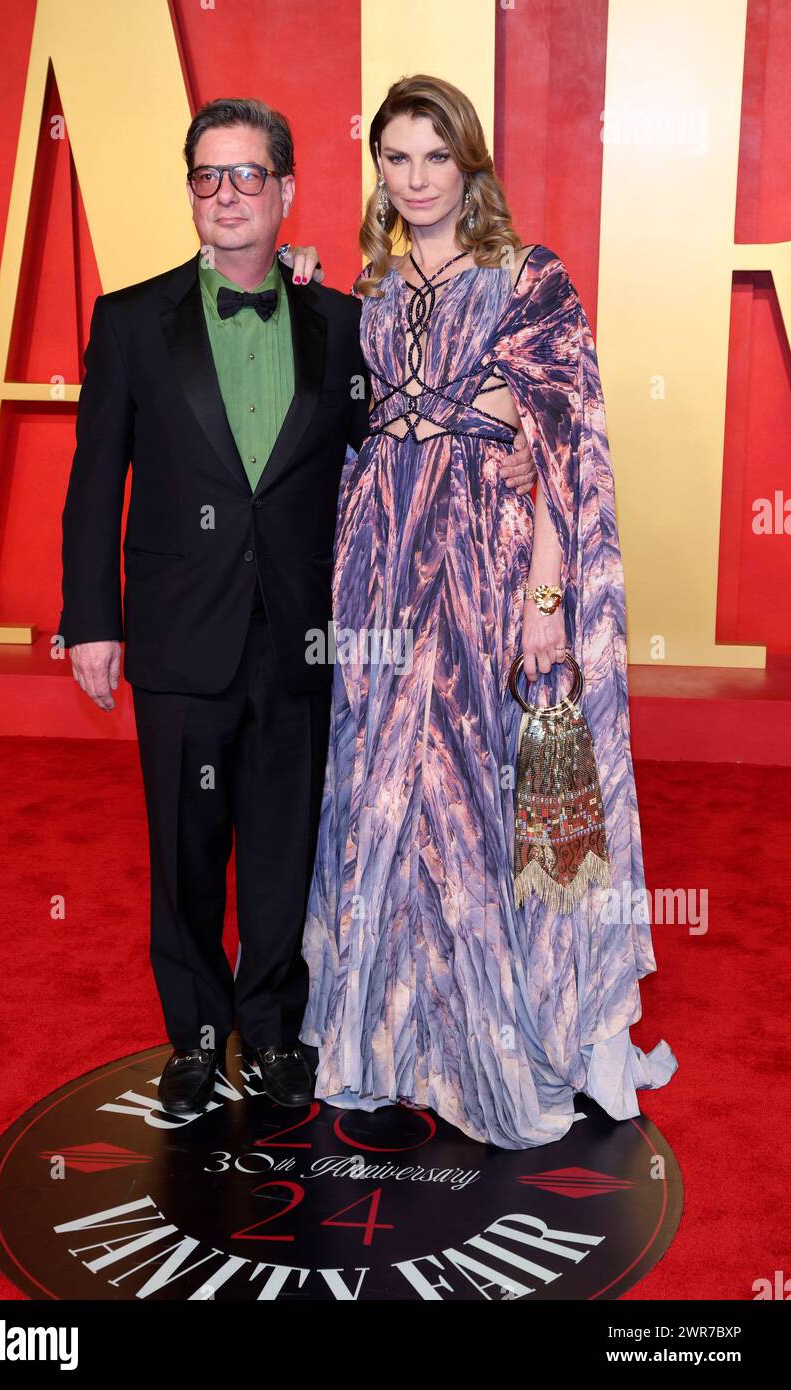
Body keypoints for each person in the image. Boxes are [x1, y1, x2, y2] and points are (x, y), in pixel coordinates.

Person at [57, 94, 542, 1118]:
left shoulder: (343, 321)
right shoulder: (130, 318)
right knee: (185, 849)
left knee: (285, 846)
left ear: (286, 191)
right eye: (206, 175)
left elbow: (415, 446)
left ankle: (273, 1030)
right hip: (180, 634)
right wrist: (90, 615)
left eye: (246, 176)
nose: (225, 195)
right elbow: (94, 478)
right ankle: (193, 1036)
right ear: (190, 190)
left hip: (306, 634)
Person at [294, 75, 679, 1149]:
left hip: (484, 568)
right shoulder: (368, 287)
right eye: (396, 159)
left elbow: (567, 452)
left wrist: (548, 599)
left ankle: (496, 1042)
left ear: (470, 164)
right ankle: (389, 1035)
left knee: (475, 787)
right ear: (377, 169)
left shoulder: (528, 277)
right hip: (377, 566)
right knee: (379, 787)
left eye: (434, 156)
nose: (415, 179)